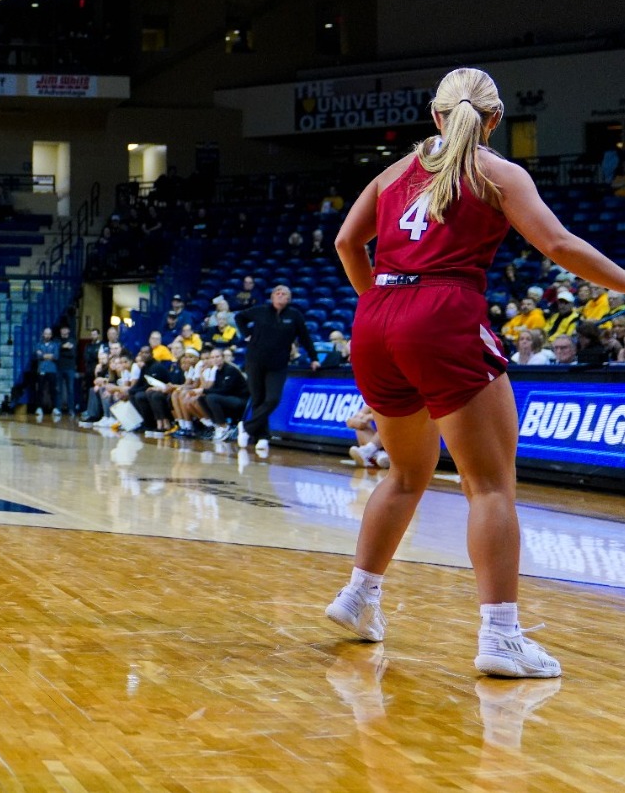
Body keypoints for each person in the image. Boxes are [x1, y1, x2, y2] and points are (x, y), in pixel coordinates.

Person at [325, 67, 625, 680]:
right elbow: (559, 245)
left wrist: (383, 308)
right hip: (441, 313)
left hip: (375, 319)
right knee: (489, 487)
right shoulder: (497, 172)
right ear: (495, 119)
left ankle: (358, 596)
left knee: (405, 474)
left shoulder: (393, 172)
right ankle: (501, 637)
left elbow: (346, 244)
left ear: (435, 115)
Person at [234, 285, 318, 452]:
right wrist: (247, 334)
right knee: (258, 400)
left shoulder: (294, 315)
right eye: (277, 293)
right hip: (255, 361)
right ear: (272, 297)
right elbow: (239, 317)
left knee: (273, 399)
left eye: (284, 293)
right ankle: (263, 437)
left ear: (289, 298)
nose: (280, 295)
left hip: (278, 365)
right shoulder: (260, 311)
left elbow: (305, 337)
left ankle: (246, 427)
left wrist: (314, 358)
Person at [346, 401, 390, 469]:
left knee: (391, 423)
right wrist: (356, 421)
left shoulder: (402, 401)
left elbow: (394, 416)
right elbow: (350, 421)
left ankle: (369, 451)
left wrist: (368, 417)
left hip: (399, 444)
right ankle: (379, 454)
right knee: (360, 427)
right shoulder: (376, 401)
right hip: (383, 445)